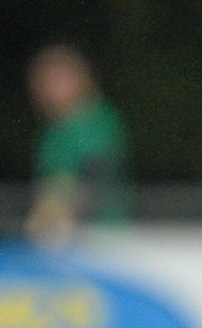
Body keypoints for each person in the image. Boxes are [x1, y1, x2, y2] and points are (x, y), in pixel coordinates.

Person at [25, 44, 129, 247]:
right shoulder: (53, 131)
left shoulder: (97, 122)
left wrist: (62, 215)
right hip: (61, 238)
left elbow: (97, 178)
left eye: (58, 78)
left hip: (97, 238)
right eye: (44, 80)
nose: (49, 87)